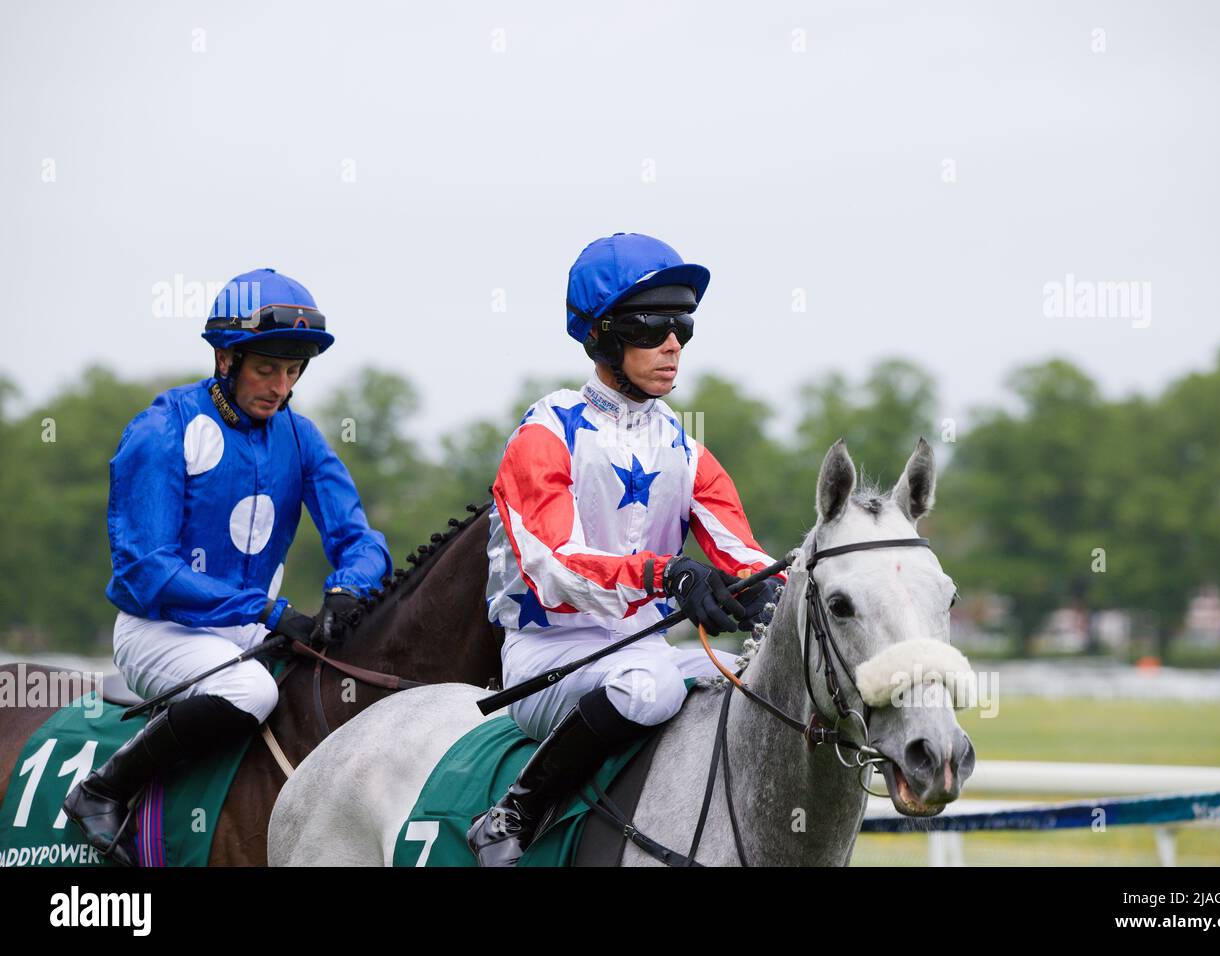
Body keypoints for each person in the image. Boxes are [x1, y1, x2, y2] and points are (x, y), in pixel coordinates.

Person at [470, 232, 783, 866]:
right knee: (651, 687)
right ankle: (514, 812)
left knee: (753, 684)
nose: (674, 344)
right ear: (605, 336)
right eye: (654, 327)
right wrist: (667, 577)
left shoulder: (682, 445)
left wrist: (772, 595)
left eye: (684, 328)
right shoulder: (545, 432)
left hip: (642, 655)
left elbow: (741, 554)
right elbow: (555, 565)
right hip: (548, 659)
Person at [62, 267, 393, 866]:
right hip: (161, 631)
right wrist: (266, 610)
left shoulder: (302, 437)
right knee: (249, 689)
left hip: (249, 632)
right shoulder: (162, 430)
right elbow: (147, 570)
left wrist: (350, 585)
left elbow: (360, 536)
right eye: (266, 368)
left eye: (293, 371)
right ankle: (102, 788)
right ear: (225, 359)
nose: (280, 385)